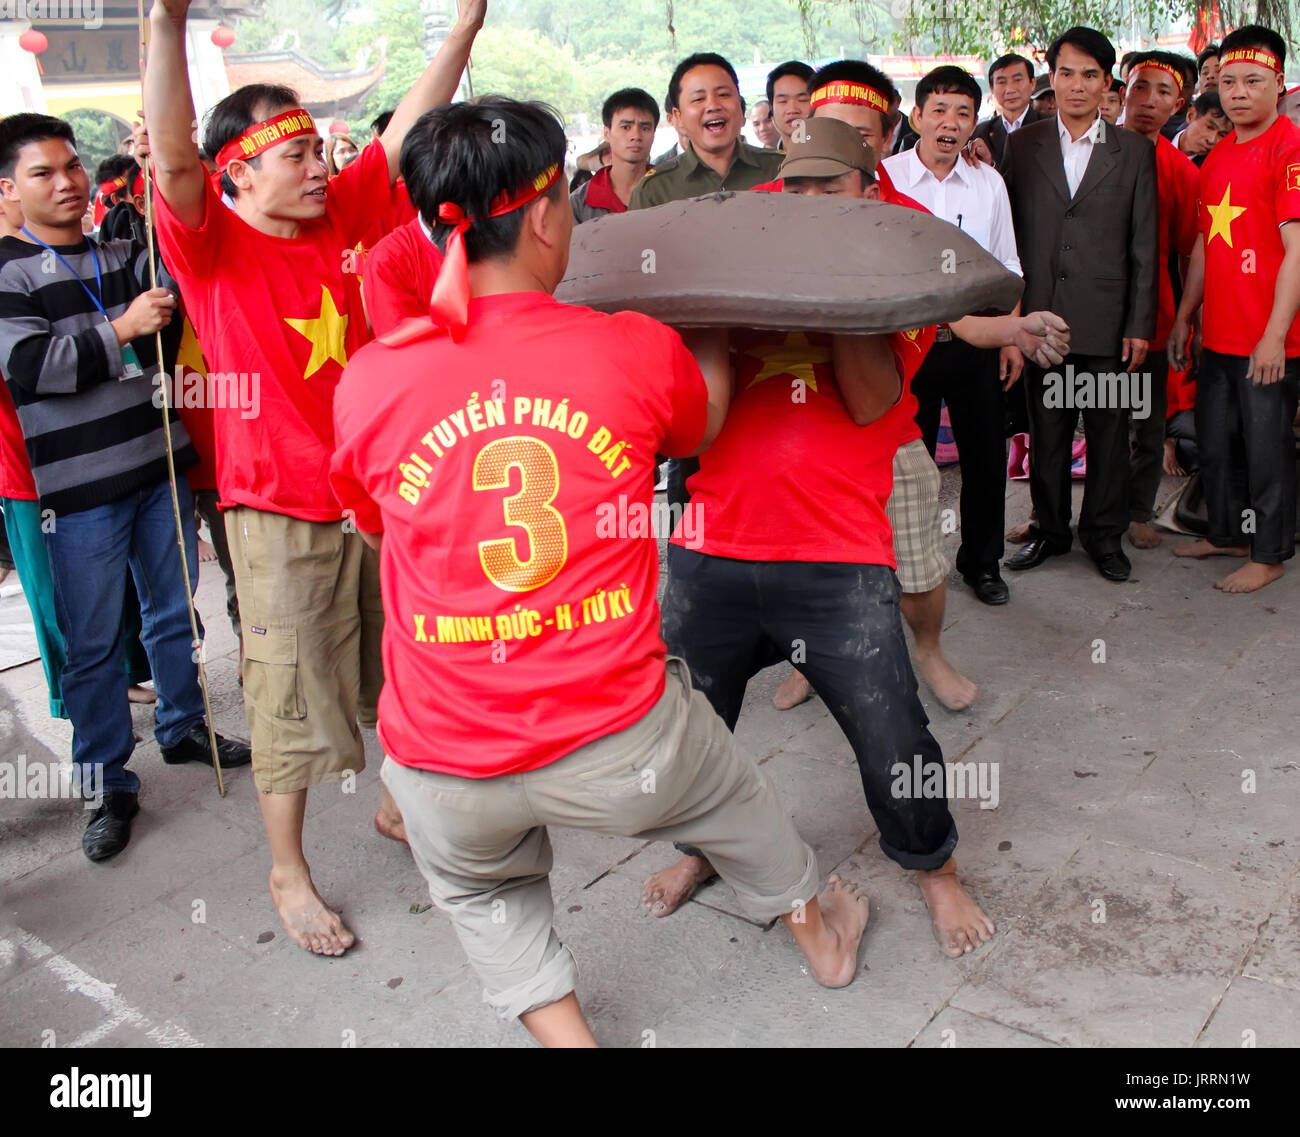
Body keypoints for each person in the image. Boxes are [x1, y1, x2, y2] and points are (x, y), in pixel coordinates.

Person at [330, 97, 871, 1047]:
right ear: (544, 215)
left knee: (482, 892)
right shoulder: (626, 346)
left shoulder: (371, 376)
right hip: (623, 744)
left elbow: (384, 531)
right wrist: (699, 317)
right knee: (738, 801)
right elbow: (698, 423)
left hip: (441, 761)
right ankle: (822, 939)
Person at [144, 0, 486, 955]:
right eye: (293, 157)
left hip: (382, 496)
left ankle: (392, 805)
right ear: (237, 171)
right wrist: (167, 23)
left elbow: (412, 120)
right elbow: (172, 160)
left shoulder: (351, 210)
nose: (318, 169)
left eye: (318, 152)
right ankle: (288, 870)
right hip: (277, 513)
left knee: (404, 669)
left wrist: (462, 29)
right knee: (289, 697)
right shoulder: (208, 243)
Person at [641, 116, 996, 961]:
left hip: (838, 556)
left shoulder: (901, 283)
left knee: (891, 729)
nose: (806, 201)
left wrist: (839, 282)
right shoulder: (731, 275)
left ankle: (935, 867)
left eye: (827, 187)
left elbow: (874, 403)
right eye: (795, 187)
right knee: (691, 724)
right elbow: (692, 424)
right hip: (714, 545)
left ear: (868, 192)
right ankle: (702, 849)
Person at [0, 113, 250, 862]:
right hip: (78, 493)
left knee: (174, 613)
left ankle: (181, 725)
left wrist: (162, 162)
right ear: (9, 188)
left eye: (72, 166)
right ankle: (107, 780)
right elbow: (32, 369)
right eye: (43, 173)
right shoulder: (7, 272)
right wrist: (121, 328)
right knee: (93, 641)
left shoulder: (120, 248)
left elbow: (177, 294)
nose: (68, 182)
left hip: (158, 463)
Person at [1003, 26, 1158, 583]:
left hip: (1107, 321)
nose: (1076, 85)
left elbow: (1145, 244)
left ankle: (1104, 536)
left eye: (1089, 75)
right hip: (1041, 322)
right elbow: (1004, 229)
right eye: (1066, 73)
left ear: (1106, 83)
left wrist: (1140, 323)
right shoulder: (1021, 145)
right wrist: (1012, 321)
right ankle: (1050, 532)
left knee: (1109, 435)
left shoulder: (1135, 152)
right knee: (1046, 435)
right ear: (1051, 77)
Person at [882, 66, 1025, 606]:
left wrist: (1011, 334)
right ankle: (899, 563)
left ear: (974, 123)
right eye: (938, 110)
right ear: (916, 116)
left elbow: (1008, 265)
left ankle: (982, 564)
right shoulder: (886, 177)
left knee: (986, 457)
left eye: (963, 113)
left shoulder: (989, 184)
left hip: (975, 340)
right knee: (901, 462)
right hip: (904, 345)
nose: (950, 123)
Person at [1168, 24, 1300, 593]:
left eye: (1253, 81)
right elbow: (1203, 241)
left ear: (1280, 84)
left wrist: (1275, 335)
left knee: (1269, 452)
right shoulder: (1219, 153)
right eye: (1228, 82)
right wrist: (1185, 314)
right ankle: (1225, 530)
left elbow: (1299, 247)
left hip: (1269, 340)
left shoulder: (1289, 147)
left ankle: (1269, 552)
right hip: (1217, 335)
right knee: (1218, 444)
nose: (1239, 93)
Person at [1121, 52, 1200, 550]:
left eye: (1162, 92)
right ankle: (1059, 518)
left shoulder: (1182, 173)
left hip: (1153, 316)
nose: (1149, 102)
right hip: (1088, 313)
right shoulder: (1091, 150)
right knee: (1079, 416)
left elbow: (1190, 255)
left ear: (1180, 103)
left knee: (1147, 425)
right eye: (1139, 88)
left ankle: (1136, 510)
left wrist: (1186, 323)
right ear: (1122, 91)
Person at [631, 53, 782, 210]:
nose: (713, 106)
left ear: (739, 104)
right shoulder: (654, 191)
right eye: (698, 99)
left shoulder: (782, 169)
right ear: (678, 116)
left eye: (723, 95)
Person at [571, 88, 657, 223]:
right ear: (607, 133)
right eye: (625, 127)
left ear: (653, 133)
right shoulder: (579, 203)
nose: (636, 136)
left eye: (645, 128)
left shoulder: (671, 190)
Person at [973, 53, 1045, 169]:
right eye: (1001, 82)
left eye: (1017, 80)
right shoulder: (981, 133)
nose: (1010, 89)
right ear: (992, 88)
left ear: (1032, 83)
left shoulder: (1049, 126)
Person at [1174, 90, 1233, 163]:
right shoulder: (1159, 137)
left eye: (1221, 135)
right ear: (1191, 116)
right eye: (1210, 127)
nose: (1212, 140)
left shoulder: (1214, 168)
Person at [766, 59, 813, 148]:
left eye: (802, 99)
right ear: (772, 109)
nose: (792, 109)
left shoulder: (838, 159)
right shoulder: (764, 161)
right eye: (783, 101)